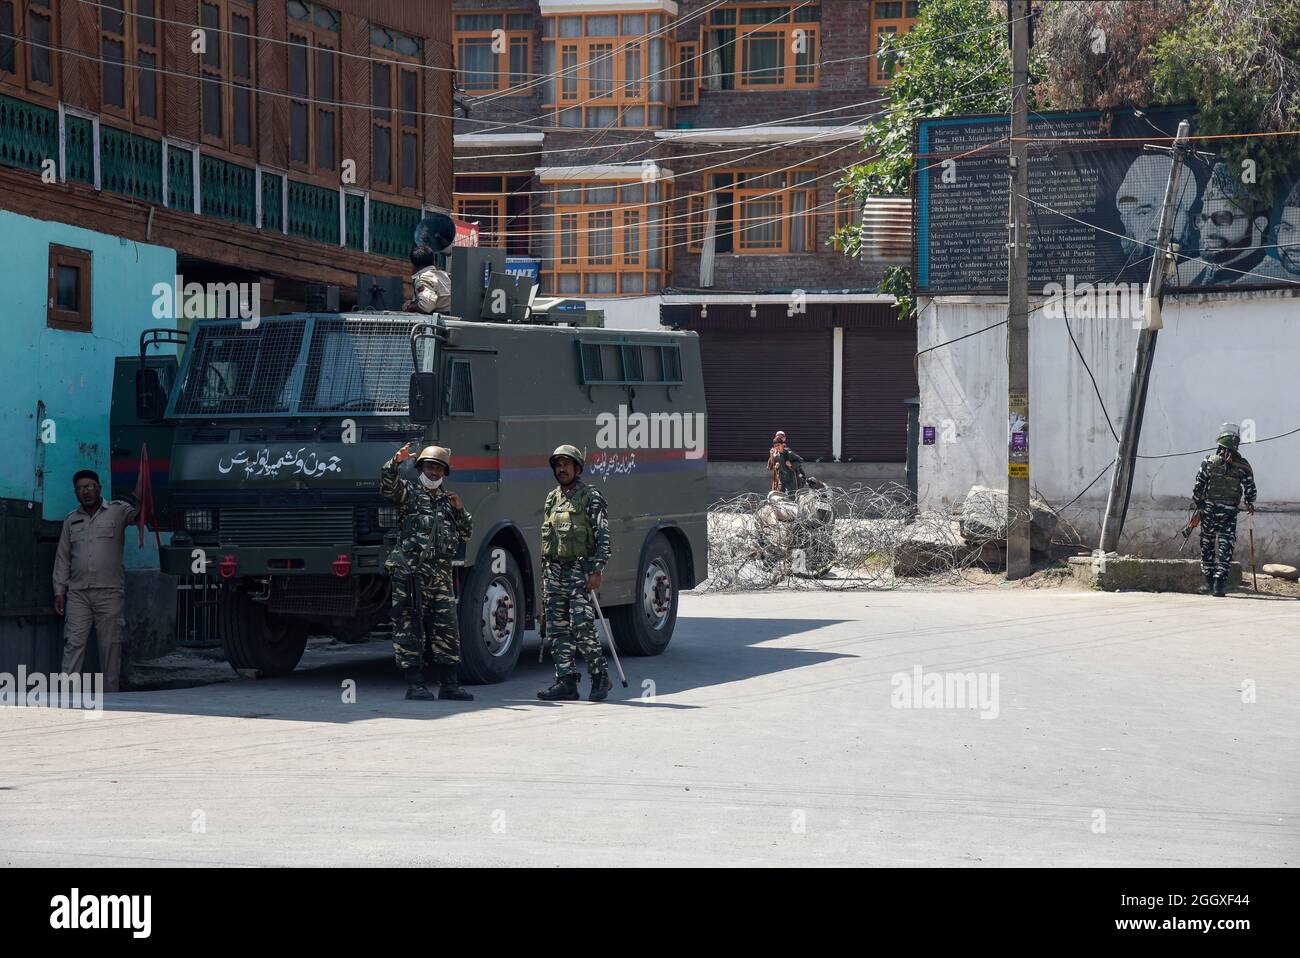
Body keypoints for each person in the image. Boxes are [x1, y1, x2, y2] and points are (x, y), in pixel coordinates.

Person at [381, 443, 474, 700]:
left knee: (447, 628)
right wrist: (395, 463)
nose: (433, 472)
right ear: (421, 468)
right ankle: (415, 684)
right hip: (411, 574)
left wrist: (459, 510)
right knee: (409, 627)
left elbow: (467, 533)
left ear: (444, 472)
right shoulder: (409, 494)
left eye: (438, 468)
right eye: (429, 467)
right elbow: (388, 486)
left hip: (440, 575)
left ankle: (450, 684)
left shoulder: (447, 502)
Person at [537, 445, 613, 703]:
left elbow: (603, 535)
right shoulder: (552, 498)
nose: (561, 469)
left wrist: (597, 569)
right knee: (557, 629)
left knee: (582, 626)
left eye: (566, 464)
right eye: (558, 464)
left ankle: (600, 675)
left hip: (580, 570)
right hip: (554, 572)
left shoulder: (590, 496)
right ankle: (565, 681)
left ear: (577, 468)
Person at [53, 470, 140, 692]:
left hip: (109, 593)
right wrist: (59, 591)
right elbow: (63, 557)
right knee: (73, 644)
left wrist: (143, 499)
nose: (86, 491)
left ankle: (112, 699)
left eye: (90, 486)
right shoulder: (71, 520)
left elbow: (138, 517)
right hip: (78, 594)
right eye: (81, 488)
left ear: (99, 488)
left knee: (110, 647)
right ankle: (65, 697)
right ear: (76, 493)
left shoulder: (118, 511)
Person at [1189, 424, 1257, 597]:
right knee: (1225, 546)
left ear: (1220, 445)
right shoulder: (1243, 465)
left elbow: (1198, 488)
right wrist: (1249, 503)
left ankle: (1209, 583)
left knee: (1207, 544)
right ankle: (1220, 585)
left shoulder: (1208, 462)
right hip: (1229, 513)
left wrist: (1200, 503)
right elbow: (1250, 490)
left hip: (1209, 511)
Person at [1177, 163, 1270, 287]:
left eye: (1222, 218)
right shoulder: (1181, 276)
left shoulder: (1272, 276)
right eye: (1203, 219)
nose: (1207, 231)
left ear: (1259, 224)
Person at [403, 245, 452, 314]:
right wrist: (413, 302)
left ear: (413, 265)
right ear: (433, 261)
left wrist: (410, 307)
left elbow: (426, 305)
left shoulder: (423, 279)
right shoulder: (444, 275)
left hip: (440, 322)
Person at [766, 430, 808, 495]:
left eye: (781, 437)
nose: (780, 438)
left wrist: (792, 465)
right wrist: (772, 457)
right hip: (779, 477)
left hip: (791, 475)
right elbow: (770, 467)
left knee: (792, 494)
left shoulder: (787, 450)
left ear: (784, 439)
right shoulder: (774, 452)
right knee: (779, 495)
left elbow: (799, 461)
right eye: (778, 437)